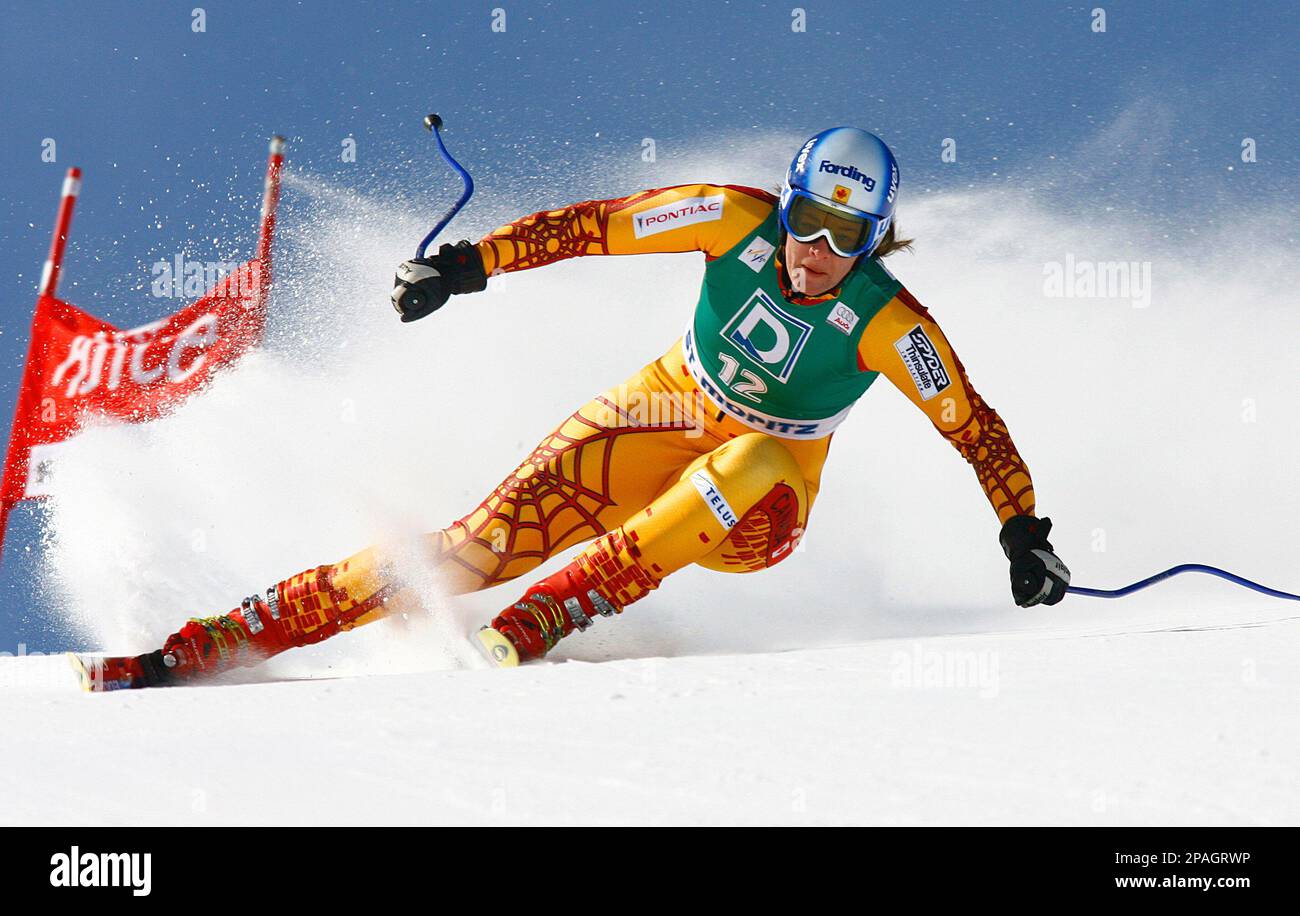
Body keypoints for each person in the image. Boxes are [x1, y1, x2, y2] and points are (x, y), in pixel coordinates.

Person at [113, 127, 1070, 686]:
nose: (814, 250)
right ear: (783, 205)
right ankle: (215, 643)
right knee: (467, 551)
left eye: (846, 236)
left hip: (758, 502)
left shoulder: (887, 324)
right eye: (805, 220)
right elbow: (598, 227)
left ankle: (551, 616)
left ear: (874, 243)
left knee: (753, 465)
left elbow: (971, 424)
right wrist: (467, 266)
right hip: (660, 413)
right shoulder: (729, 218)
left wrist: (1022, 529)